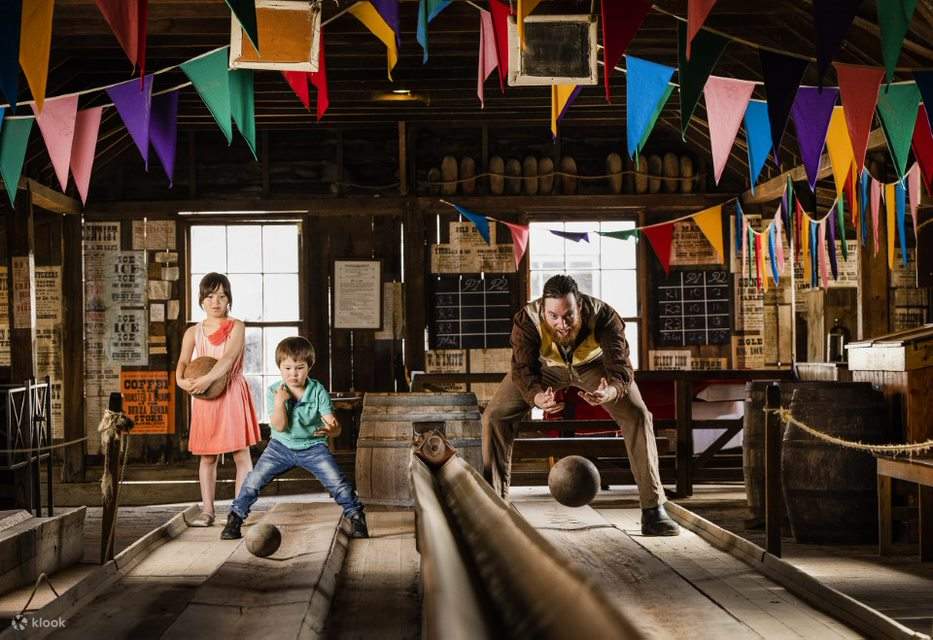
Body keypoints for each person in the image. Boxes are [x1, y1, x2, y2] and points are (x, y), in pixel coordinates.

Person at [483, 274, 679, 536]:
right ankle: (494, 511)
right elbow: (522, 369)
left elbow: (620, 368)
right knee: (495, 415)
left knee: (639, 414)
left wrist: (609, 392)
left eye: (568, 316)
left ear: (581, 307)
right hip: (546, 369)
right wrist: (537, 397)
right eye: (553, 316)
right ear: (543, 309)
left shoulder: (605, 317)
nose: (561, 324)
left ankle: (653, 510)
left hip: (594, 368)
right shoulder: (527, 320)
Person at [221, 336, 368, 539]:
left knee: (338, 483)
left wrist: (331, 429)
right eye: (287, 368)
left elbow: (334, 427)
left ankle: (356, 517)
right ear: (280, 368)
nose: (293, 374)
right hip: (280, 446)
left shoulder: (318, 391)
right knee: (254, 480)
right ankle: (235, 517)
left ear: (309, 367)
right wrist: (281, 401)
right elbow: (280, 426)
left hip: (313, 447)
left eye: (299, 368)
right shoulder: (275, 391)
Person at [176, 273, 261, 527]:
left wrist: (206, 380)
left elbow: (228, 359)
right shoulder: (193, 332)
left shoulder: (237, 326)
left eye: (222, 296)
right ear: (201, 299)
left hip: (231, 390)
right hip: (205, 398)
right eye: (210, 296)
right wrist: (180, 380)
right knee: (208, 457)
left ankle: (239, 511)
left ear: (229, 300)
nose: (216, 302)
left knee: (241, 455)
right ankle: (208, 512)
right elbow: (182, 361)